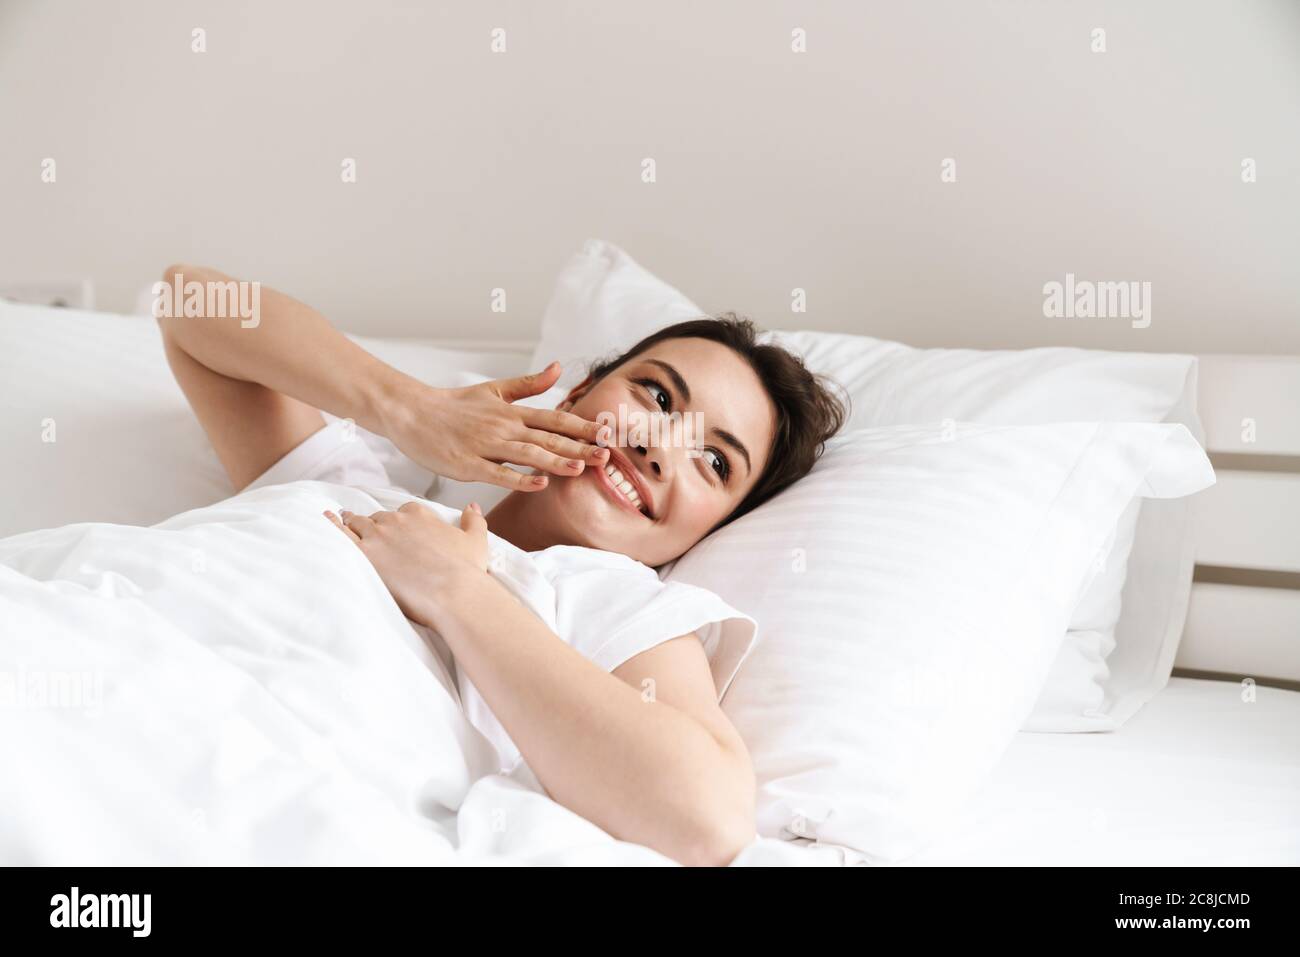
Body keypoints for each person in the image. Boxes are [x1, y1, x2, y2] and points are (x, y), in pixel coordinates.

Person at [156, 263, 845, 865]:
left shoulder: (626, 607)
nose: (659, 446)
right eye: (658, 396)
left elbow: (706, 822)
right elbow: (188, 301)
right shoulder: (372, 490)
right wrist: (408, 408)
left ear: (711, 529)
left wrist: (458, 590)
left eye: (713, 461)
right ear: (577, 394)